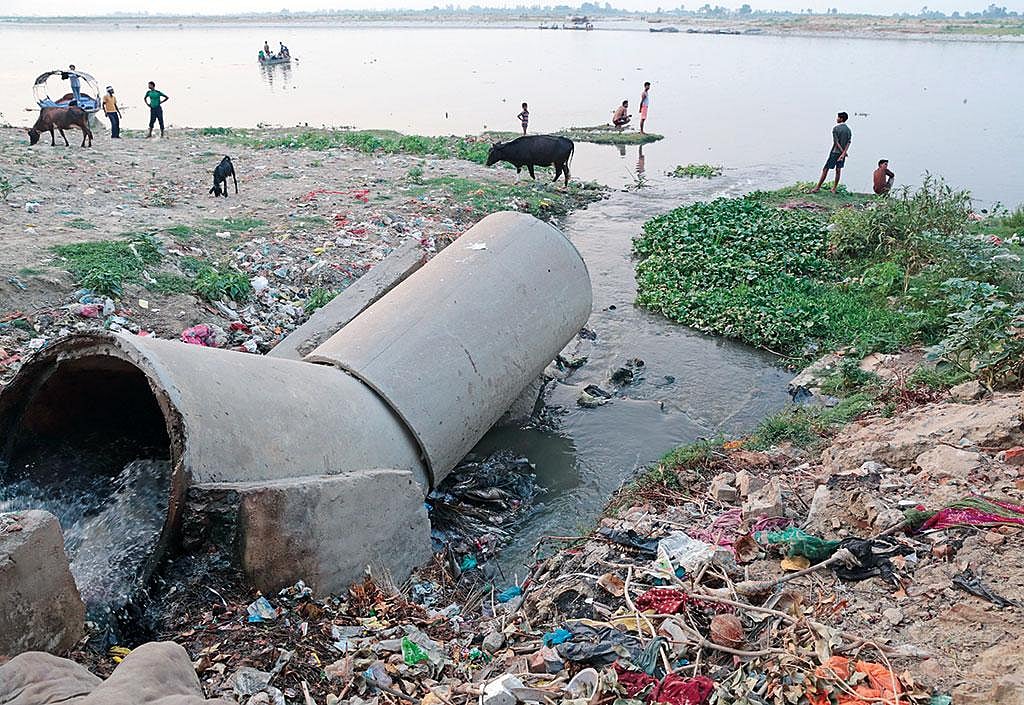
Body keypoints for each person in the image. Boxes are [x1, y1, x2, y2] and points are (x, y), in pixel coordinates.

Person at [810, 111, 852, 194]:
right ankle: (834, 188)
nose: (837, 119)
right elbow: (849, 142)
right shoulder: (848, 130)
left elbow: (836, 142)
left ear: (841, 118)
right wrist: (843, 153)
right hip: (842, 154)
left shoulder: (835, 129)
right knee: (838, 170)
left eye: (838, 117)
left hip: (835, 152)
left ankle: (817, 187)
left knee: (825, 169)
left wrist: (841, 152)